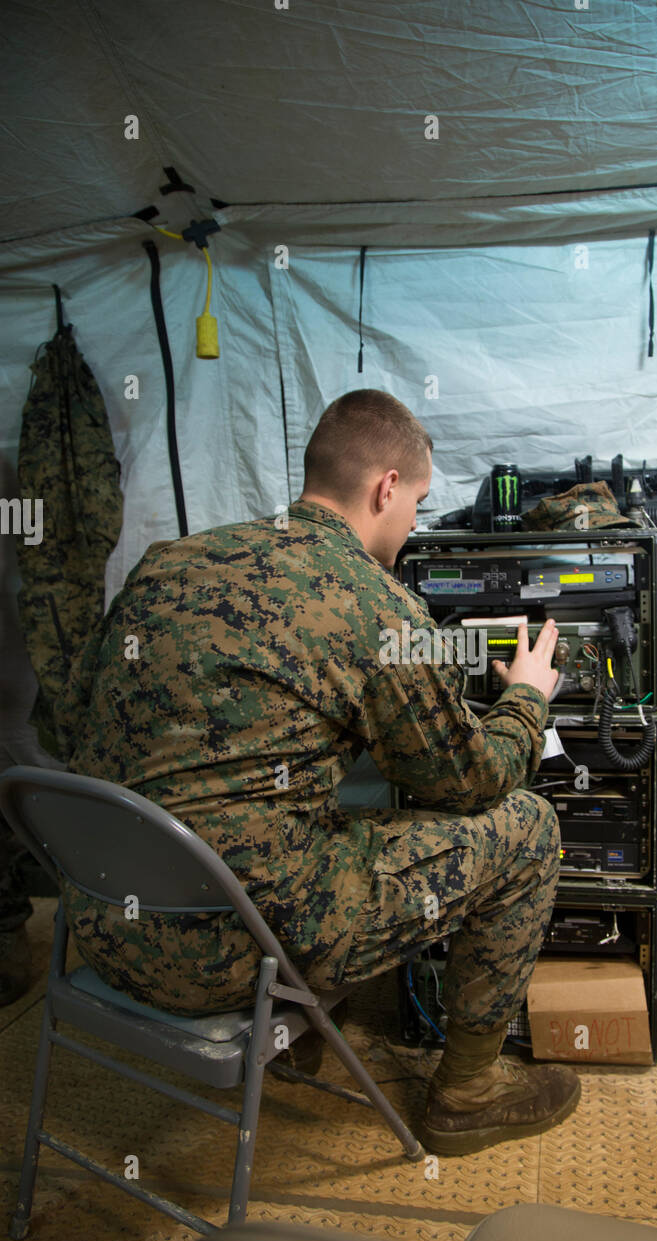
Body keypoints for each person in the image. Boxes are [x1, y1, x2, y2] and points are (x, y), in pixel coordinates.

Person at [57, 389, 580, 1155]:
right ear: (386, 488)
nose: (413, 526)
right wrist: (527, 699)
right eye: (419, 504)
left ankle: (300, 1043)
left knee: (310, 814)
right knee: (530, 829)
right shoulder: (377, 605)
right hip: (226, 955)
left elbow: (70, 720)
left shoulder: (166, 563)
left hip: (101, 929)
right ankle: (469, 1092)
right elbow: (473, 781)